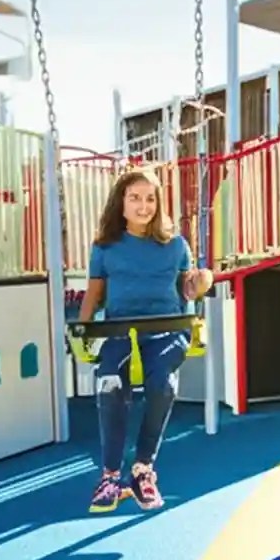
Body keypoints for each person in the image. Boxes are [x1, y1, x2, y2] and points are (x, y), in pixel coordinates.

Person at [75, 169, 213, 513]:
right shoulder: (105, 248)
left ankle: (143, 470)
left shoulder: (176, 245)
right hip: (121, 330)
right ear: (120, 204)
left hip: (167, 329)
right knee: (110, 384)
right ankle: (109, 476)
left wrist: (202, 282)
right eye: (135, 198)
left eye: (150, 198)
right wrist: (82, 329)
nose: (143, 205)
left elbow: (187, 289)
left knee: (162, 383)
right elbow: (93, 294)